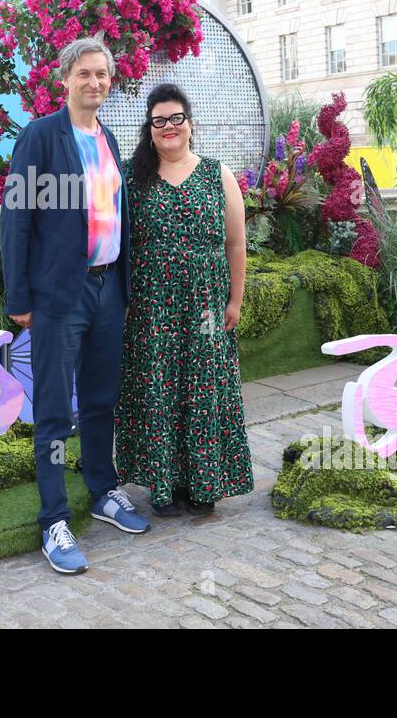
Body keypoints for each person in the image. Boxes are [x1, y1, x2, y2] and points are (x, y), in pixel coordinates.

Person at [0, 36, 149, 575]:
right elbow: (16, 219)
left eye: (103, 75)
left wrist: (124, 290)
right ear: (65, 79)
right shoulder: (41, 137)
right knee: (56, 411)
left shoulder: (108, 138)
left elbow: (118, 219)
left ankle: (104, 490)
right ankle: (54, 519)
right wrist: (20, 297)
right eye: (85, 74)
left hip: (108, 290)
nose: (95, 83)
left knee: (101, 399)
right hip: (58, 295)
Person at [115, 84, 253, 518]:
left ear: (190, 123)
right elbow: (113, 243)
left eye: (176, 118)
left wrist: (235, 299)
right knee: (157, 388)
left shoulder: (217, 174)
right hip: (151, 304)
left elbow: (235, 243)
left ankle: (203, 482)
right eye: (159, 120)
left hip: (207, 304)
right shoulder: (132, 177)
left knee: (203, 387)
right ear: (149, 129)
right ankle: (163, 485)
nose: (169, 127)